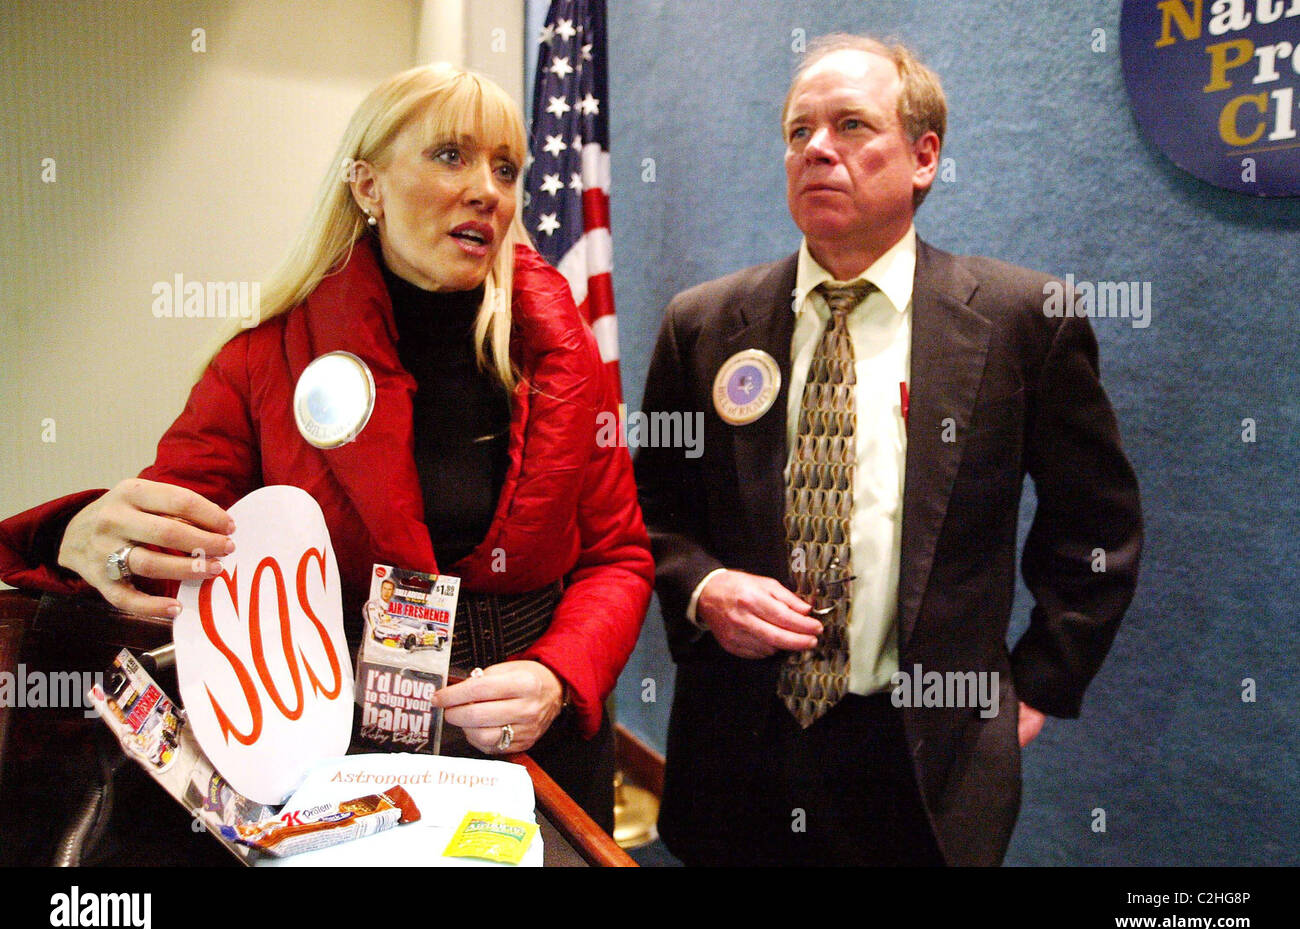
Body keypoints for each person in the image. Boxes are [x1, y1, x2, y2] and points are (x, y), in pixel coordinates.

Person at [0, 64, 653, 831]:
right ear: (367, 185)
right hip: (344, 745)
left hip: (539, 741)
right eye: (451, 156)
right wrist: (83, 536)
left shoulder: (560, 350)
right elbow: (160, 543)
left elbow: (619, 556)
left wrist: (558, 674)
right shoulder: (264, 361)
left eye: (505, 169)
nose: (488, 191)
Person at [634, 35, 1142, 865]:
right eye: (799, 132)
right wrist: (704, 586)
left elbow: (1097, 521)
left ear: (923, 156)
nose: (818, 150)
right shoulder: (703, 324)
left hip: (926, 759)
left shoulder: (1023, 319)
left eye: (851, 126)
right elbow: (650, 508)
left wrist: (1038, 684)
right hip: (740, 745)